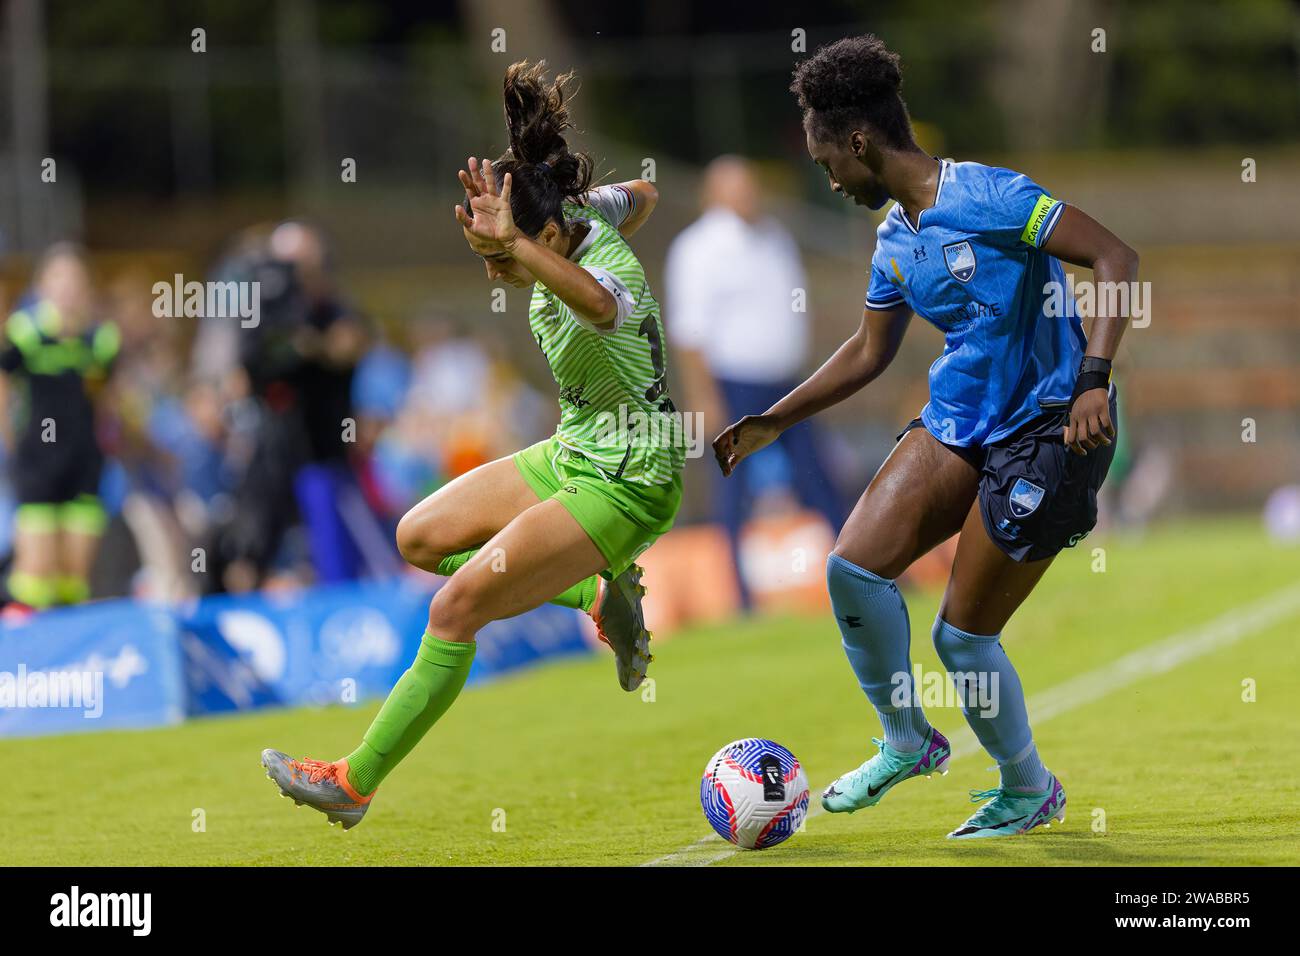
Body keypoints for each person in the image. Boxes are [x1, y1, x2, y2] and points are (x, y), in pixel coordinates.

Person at [714, 35, 1138, 839]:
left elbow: (1116, 256)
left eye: (826, 160)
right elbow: (871, 352)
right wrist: (779, 417)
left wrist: (1094, 378)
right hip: (959, 427)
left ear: (860, 143)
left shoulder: (991, 198)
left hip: (1048, 434)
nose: (829, 179)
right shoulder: (894, 239)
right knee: (851, 572)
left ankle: (1027, 788)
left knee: (961, 639)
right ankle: (908, 739)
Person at [261, 60, 684, 828]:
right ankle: (597, 590)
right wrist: (586, 206)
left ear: (548, 238)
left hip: (630, 475)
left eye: (505, 255)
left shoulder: (599, 272)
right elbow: (646, 195)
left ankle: (353, 782)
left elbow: (594, 303)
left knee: (455, 608)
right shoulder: (583, 219)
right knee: (418, 536)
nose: (496, 270)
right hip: (577, 448)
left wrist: (523, 249)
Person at [667, 156, 844, 610]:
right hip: (734, 383)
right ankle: (740, 597)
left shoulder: (774, 237)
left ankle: (860, 570)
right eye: (737, 189)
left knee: (818, 478)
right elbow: (690, 331)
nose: (748, 196)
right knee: (734, 490)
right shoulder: (698, 249)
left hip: (785, 382)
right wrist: (705, 397)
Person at [0, 243, 119, 610]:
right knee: (34, 574)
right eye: (58, 278)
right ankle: (22, 656)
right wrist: (10, 441)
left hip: (83, 464)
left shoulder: (100, 339)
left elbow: (107, 399)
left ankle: (70, 663)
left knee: (73, 577)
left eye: (74, 279)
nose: (67, 288)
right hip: (37, 463)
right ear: (43, 285)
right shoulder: (25, 332)